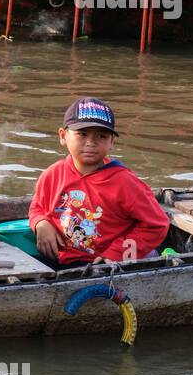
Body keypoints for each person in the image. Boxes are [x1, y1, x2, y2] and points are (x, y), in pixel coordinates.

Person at [28, 97, 169, 267]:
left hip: (104, 262)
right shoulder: (53, 174)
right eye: (82, 134)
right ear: (63, 136)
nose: (91, 143)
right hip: (64, 257)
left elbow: (157, 225)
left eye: (101, 136)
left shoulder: (124, 183)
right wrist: (41, 223)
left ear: (111, 142)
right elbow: (37, 207)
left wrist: (117, 253)